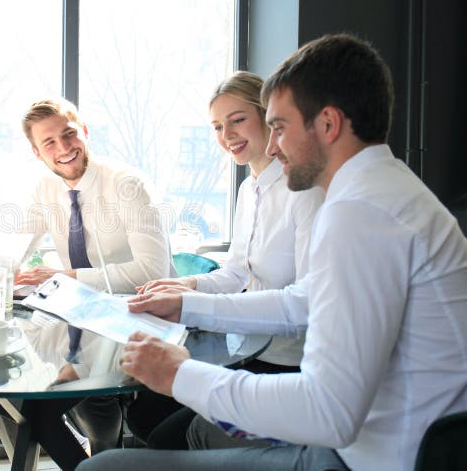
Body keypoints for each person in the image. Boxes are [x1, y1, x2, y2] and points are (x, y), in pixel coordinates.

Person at [77, 34, 467, 471]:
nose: (274, 145)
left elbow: (327, 411)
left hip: (369, 458)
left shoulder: (359, 211)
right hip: (374, 443)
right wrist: (187, 303)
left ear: (328, 124)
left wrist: (180, 374)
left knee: (103, 467)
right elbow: (302, 300)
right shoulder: (384, 190)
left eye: (279, 127)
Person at [126, 71, 324, 447]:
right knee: (144, 413)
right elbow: (236, 271)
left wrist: (189, 303)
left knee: (165, 435)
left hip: (287, 362)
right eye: (217, 126)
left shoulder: (303, 191)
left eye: (237, 121)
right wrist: (187, 284)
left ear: (268, 118)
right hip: (249, 347)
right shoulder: (248, 190)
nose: (226, 136)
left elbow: (304, 300)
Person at [15, 98, 174, 458]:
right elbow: (16, 248)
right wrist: (3, 271)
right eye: (49, 143)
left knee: (70, 400)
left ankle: (103, 449)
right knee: (38, 379)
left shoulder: (127, 185)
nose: (64, 148)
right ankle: (100, 445)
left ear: (84, 132)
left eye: (69, 134)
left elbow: (152, 271)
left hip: (139, 315)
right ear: (37, 153)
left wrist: (66, 275)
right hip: (84, 322)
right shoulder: (44, 190)